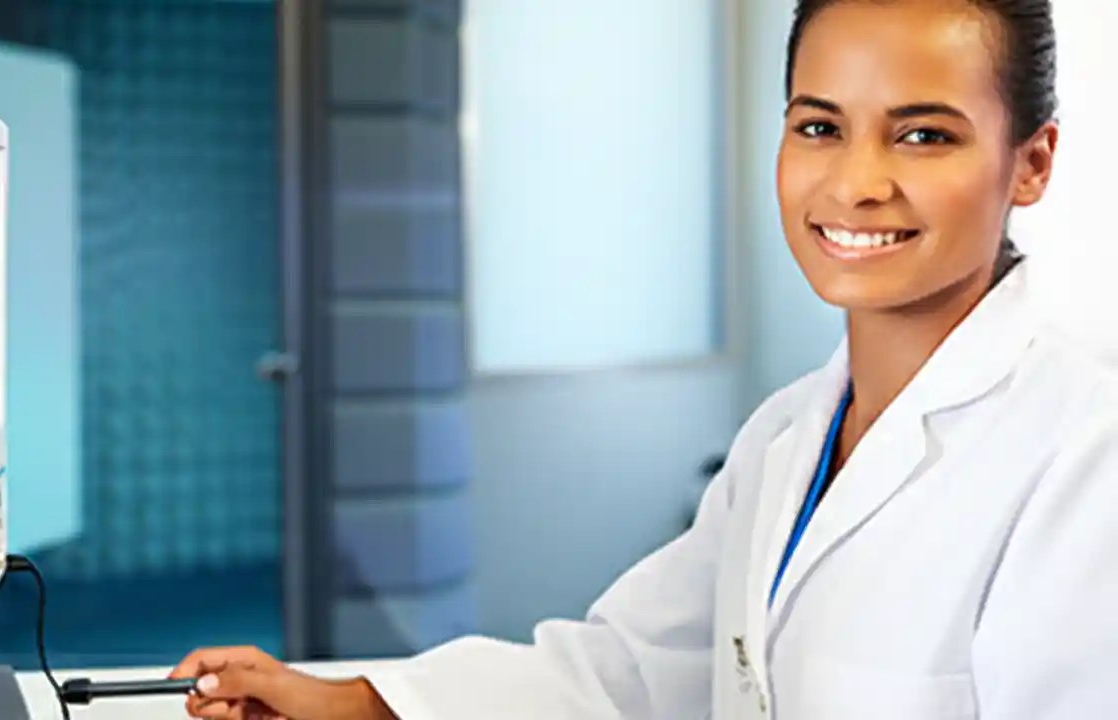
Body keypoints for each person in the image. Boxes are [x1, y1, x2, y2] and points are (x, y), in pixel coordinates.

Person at [172, 0, 1118, 717]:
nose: (856, 183)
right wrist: (360, 703)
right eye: (819, 126)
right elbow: (627, 670)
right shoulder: (789, 435)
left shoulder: (1084, 452)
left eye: (923, 135)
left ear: (1030, 162)